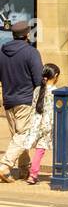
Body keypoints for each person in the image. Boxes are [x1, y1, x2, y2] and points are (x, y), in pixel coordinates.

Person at [0, 20, 44, 182]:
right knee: (24, 135)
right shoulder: (31, 53)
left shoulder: (2, 52)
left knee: (17, 136)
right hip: (25, 100)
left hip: (8, 100)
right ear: (27, 35)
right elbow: (39, 79)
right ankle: (5, 166)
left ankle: (24, 169)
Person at [23, 63, 60, 185]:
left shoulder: (37, 90)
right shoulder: (55, 92)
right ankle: (33, 174)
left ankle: (32, 173)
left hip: (36, 121)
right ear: (56, 76)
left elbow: (34, 106)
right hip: (48, 123)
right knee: (41, 149)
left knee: (39, 148)